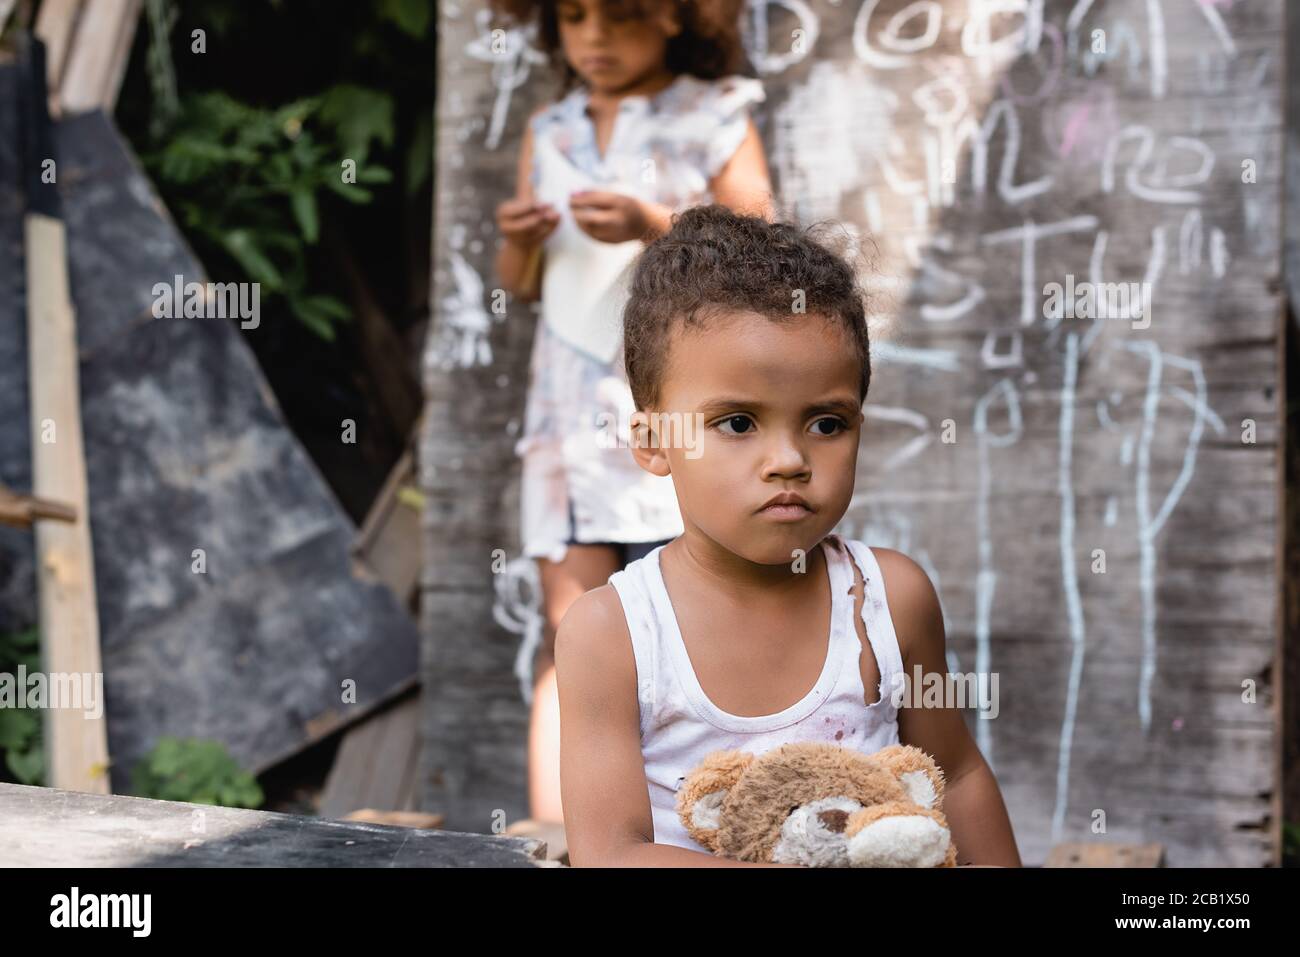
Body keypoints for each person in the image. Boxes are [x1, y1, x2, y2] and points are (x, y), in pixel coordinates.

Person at [555, 205, 1023, 866]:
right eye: (739, 422)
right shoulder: (614, 633)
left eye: (826, 423)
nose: (789, 459)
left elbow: (958, 772)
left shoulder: (891, 600)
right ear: (654, 440)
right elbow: (610, 854)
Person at [492, 0, 773, 825]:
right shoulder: (550, 124)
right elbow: (522, 282)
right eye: (573, 19)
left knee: (697, 622)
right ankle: (562, 835)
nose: (593, 40)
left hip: (675, 408)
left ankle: (715, 826)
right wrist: (521, 237)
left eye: (617, 18)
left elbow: (760, 248)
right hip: (567, 414)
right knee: (573, 631)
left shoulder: (714, 114)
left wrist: (655, 224)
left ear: (676, 17)